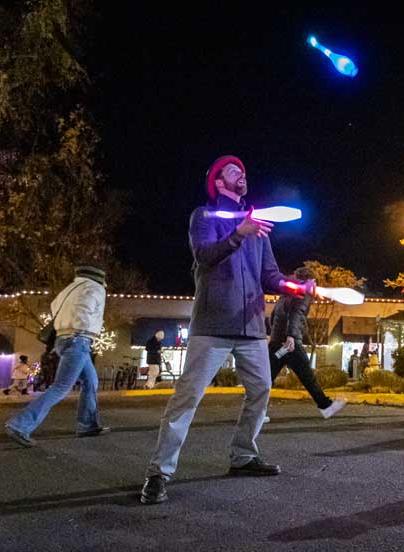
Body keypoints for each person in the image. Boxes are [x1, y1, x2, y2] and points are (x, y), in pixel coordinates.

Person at [141, 155, 322, 505]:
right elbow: (204, 256)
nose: (242, 173)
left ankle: (243, 455)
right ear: (218, 182)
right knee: (187, 398)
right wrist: (239, 233)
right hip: (213, 324)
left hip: (252, 328)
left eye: (243, 170)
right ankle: (159, 472)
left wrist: (296, 287)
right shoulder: (205, 216)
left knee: (261, 390)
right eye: (233, 170)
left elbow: (269, 275)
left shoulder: (258, 226)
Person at [5, 265, 110, 447]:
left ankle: (87, 425)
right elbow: (84, 309)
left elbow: (54, 307)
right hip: (79, 339)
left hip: (62, 339)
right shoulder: (94, 288)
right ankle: (20, 425)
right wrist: (83, 329)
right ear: (99, 277)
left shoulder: (69, 289)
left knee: (91, 381)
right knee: (61, 387)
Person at [268, 266, 347, 419]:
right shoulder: (304, 292)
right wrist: (291, 336)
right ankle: (326, 406)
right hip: (290, 345)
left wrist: (276, 336)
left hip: (277, 342)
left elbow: (273, 316)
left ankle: (255, 410)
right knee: (307, 376)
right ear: (311, 280)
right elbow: (297, 313)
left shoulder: (285, 293)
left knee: (267, 377)